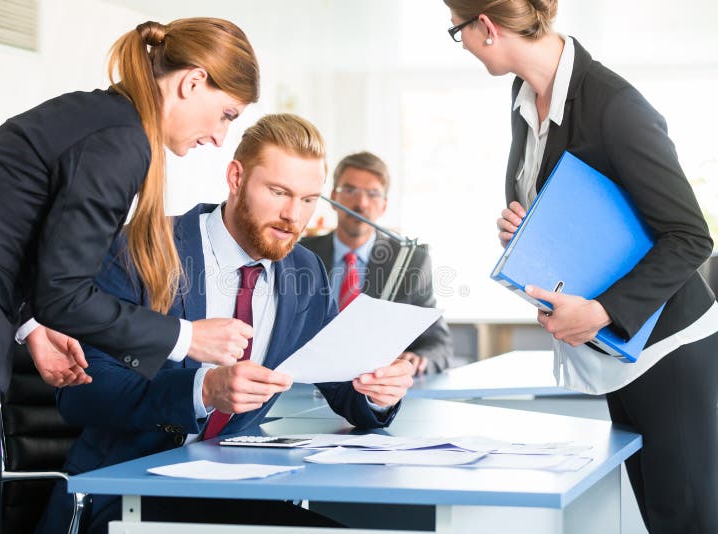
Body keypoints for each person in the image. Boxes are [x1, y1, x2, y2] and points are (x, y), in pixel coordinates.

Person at [0, 18, 261, 533]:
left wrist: (30, 328)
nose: (220, 137)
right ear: (192, 82)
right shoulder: (120, 141)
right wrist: (187, 337)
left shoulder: (98, 116)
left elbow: (0, 234)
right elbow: (65, 291)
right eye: (226, 114)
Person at [35, 114, 415, 533]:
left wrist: (379, 391)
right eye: (278, 192)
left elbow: (341, 383)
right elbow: (82, 395)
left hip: (237, 489)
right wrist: (202, 390)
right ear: (236, 177)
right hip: (126, 491)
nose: (294, 215)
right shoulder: (144, 249)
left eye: (309, 199)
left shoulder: (304, 271)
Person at [442, 1, 718, 532]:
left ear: (487, 28)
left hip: (666, 346)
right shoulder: (526, 98)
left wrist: (601, 310)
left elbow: (689, 237)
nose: (464, 45)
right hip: (619, 348)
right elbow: (585, 212)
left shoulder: (614, 105)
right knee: (658, 514)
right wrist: (521, 228)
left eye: (458, 31)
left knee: (685, 520)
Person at [300, 151, 455, 375]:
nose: (361, 203)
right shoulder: (300, 254)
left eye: (372, 194)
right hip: (306, 382)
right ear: (334, 198)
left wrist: (418, 360)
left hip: (376, 387)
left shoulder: (411, 262)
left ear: (384, 205)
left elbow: (439, 345)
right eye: (350, 190)